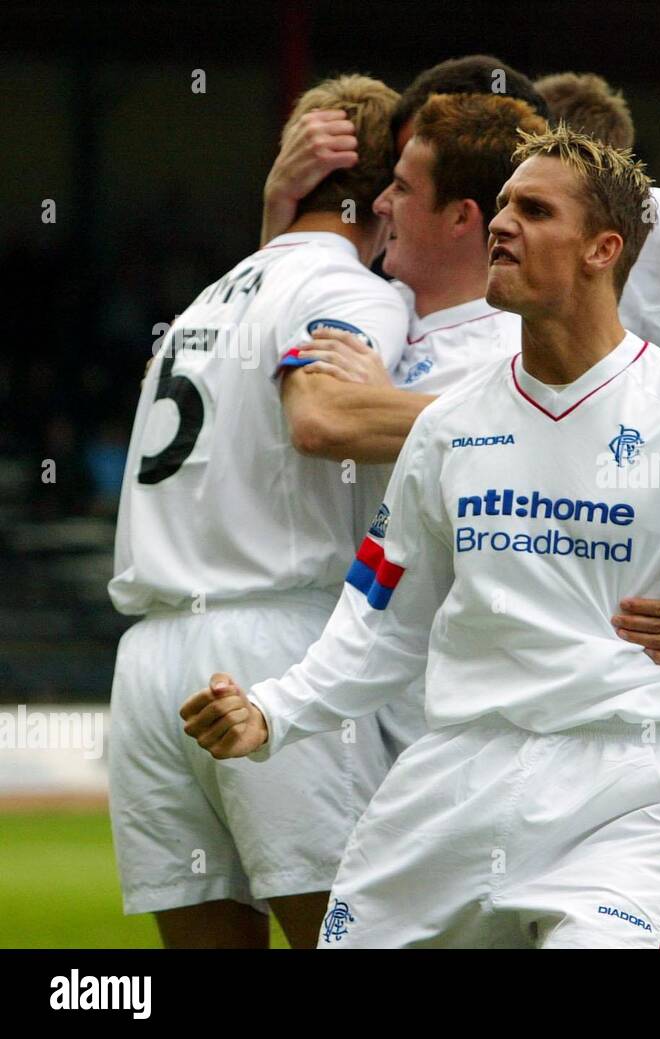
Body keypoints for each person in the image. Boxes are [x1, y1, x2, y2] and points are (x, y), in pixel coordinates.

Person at [180, 126, 660, 949]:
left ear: (602, 248)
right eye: (503, 204)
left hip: (630, 794)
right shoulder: (448, 429)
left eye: (535, 209)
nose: (502, 224)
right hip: (452, 786)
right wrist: (270, 710)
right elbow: (375, 626)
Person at [107, 75, 406, 949]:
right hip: (275, 647)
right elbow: (323, 418)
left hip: (152, 660)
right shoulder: (351, 290)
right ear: (382, 193)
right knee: (355, 939)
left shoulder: (207, 298)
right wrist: (507, 423)